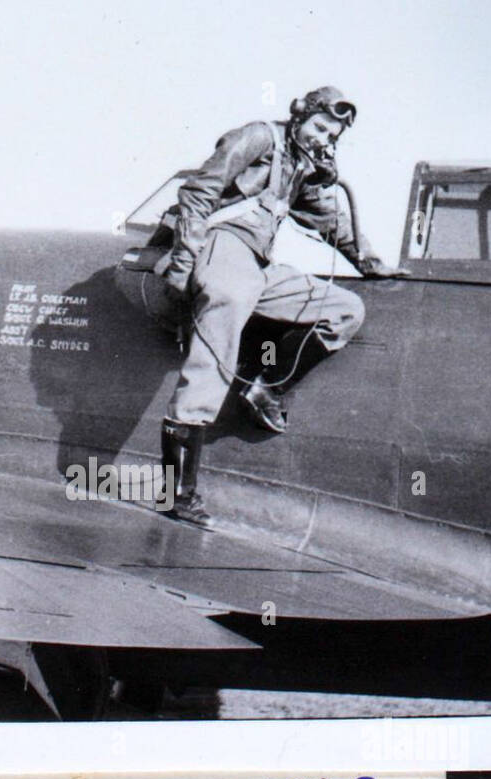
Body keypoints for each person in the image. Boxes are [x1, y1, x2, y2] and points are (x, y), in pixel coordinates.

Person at [159, 86, 400, 529]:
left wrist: (369, 262)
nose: (323, 138)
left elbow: (330, 223)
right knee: (217, 344)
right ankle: (178, 493)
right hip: (222, 247)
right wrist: (183, 261)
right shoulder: (259, 137)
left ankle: (266, 387)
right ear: (300, 118)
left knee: (344, 309)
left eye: (332, 135)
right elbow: (198, 192)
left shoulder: (300, 170)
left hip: (258, 264)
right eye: (319, 127)